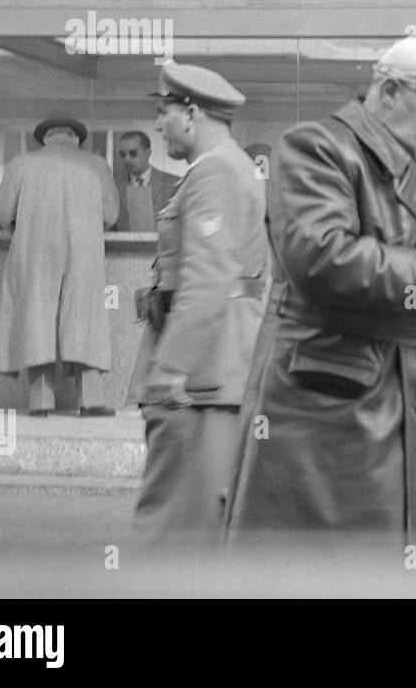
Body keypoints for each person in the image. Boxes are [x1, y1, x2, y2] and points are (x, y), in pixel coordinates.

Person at [225, 36, 416, 554]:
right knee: (311, 572)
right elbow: (319, 257)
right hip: (326, 406)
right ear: (389, 91)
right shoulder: (317, 147)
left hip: (400, 404)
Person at [128, 64, 268, 545]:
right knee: (192, 525)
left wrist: (170, 369)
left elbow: (207, 282)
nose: (158, 123)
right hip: (209, 374)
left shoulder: (216, 174)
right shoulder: (222, 169)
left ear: (190, 113)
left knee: (174, 530)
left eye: (162, 111)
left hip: (199, 378)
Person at [0, 113, 119, 416]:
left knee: (36, 317)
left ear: (45, 136)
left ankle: (40, 401)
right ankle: (91, 400)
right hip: (83, 248)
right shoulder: (96, 165)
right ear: (76, 137)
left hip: (34, 249)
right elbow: (112, 215)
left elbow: (2, 211)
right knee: (84, 318)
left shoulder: (21, 164)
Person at [113, 130, 179, 232]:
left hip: (161, 246)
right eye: (123, 154)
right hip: (123, 247)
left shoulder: (173, 185)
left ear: (148, 153)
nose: (127, 159)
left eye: (133, 153)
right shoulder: (113, 185)